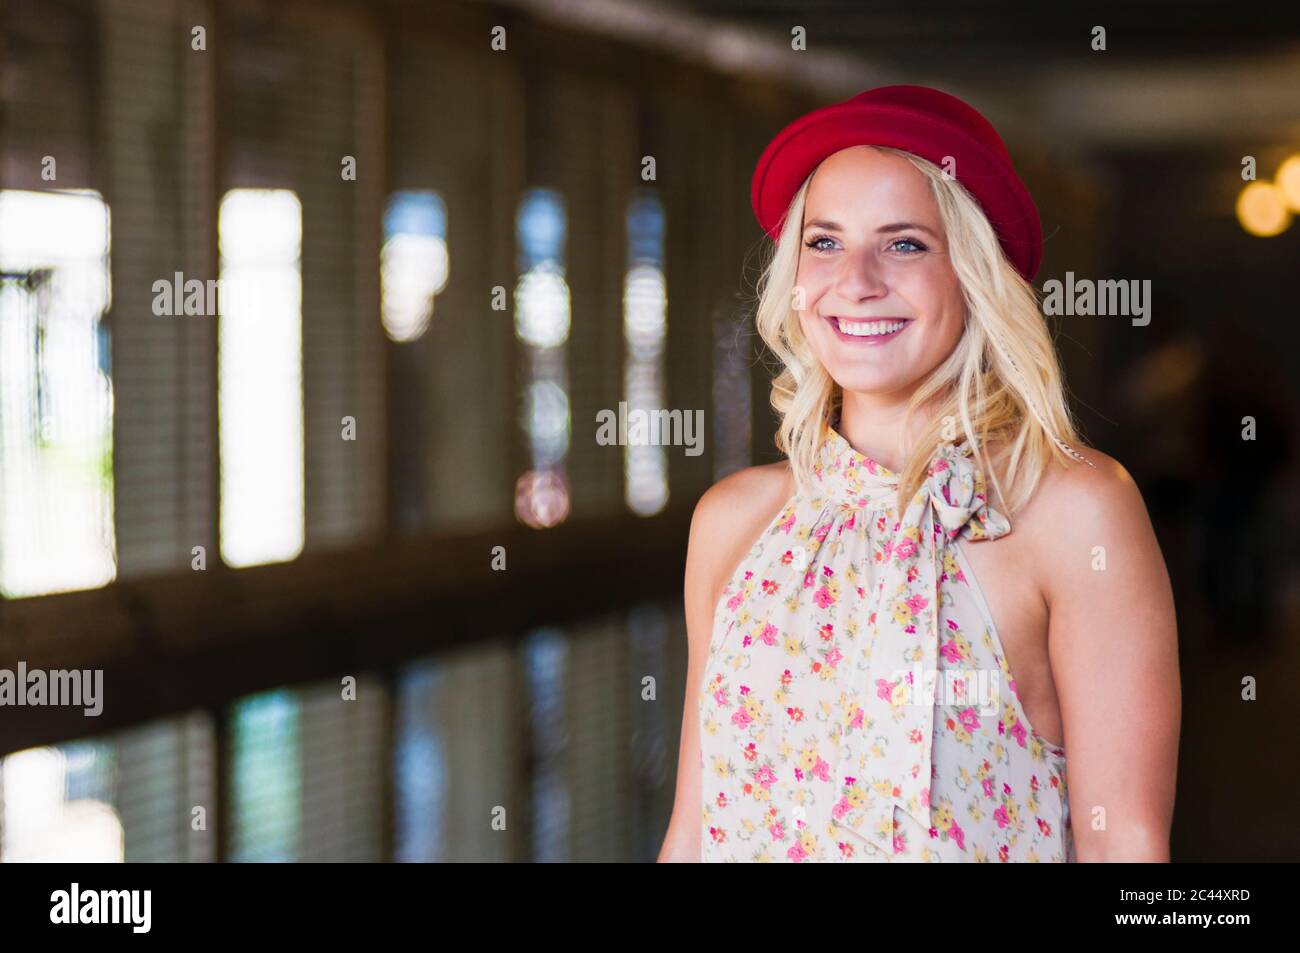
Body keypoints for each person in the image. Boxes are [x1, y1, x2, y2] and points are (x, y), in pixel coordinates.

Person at [658, 86, 1180, 862]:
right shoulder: (732, 522)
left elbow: (1127, 849)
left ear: (973, 273)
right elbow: (694, 832)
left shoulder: (1076, 509)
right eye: (825, 242)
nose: (857, 280)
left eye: (904, 243)